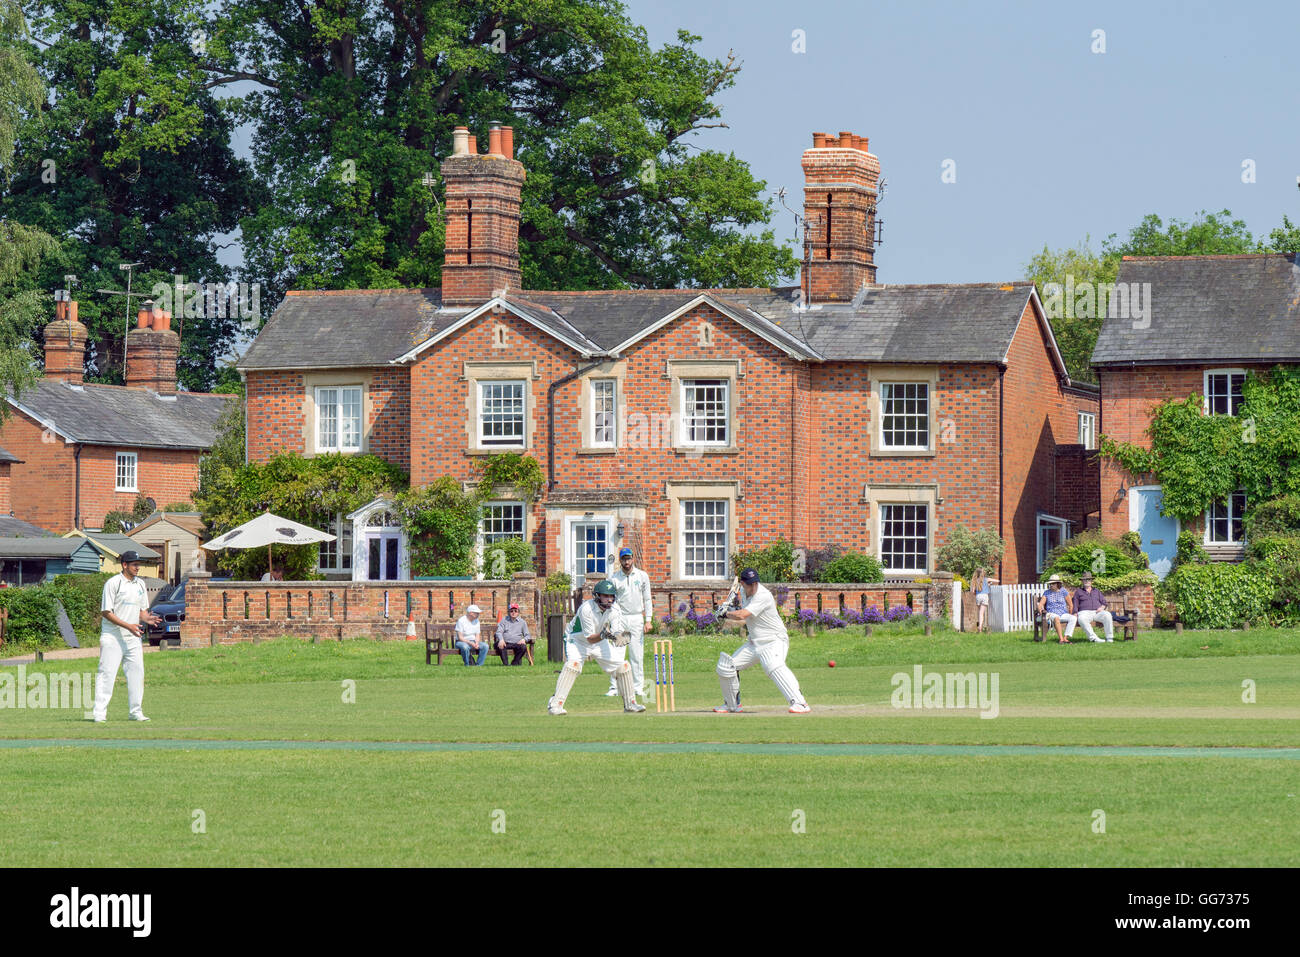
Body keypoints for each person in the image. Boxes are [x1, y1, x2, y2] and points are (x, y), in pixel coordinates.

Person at [715, 568, 810, 714]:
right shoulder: (742, 591)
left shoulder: (763, 595)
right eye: (749, 584)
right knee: (727, 666)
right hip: (755, 642)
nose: (753, 587)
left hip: (774, 640)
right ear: (742, 584)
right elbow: (741, 609)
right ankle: (732, 705)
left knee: (773, 665)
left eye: (755, 583)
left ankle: (800, 703)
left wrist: (725, 614)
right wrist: (728, 610)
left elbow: (743, 615)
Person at [547, 579, 645, 715]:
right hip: (576, 640)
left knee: (623, 666)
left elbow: (615, 632)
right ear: (597, 596)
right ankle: (555, 705)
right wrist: (605, 635)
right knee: (573, 666)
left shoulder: (615, 609)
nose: (609, 600)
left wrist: (617, 637)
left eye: (611, 596)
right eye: (606, 596)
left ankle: (630, 704)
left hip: (600, 640)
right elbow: (589, 638)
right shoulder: (586, 609)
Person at [91, 550, 161, 722]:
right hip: (112, 636)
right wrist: (127, 625)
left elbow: (141, 612)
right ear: (124, 565)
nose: (138, 567)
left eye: (139, 564)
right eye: (135, 564)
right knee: (106, 674)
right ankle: (99, 714)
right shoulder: (113, 583)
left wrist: (147, 619)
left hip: (133, 637)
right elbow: (106, 612)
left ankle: (135, 712)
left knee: (137, 674)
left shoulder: (140, 585)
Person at [605, 547, 653, 699]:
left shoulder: (642, 576)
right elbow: (610, 601)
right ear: (620, 560)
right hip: (620, 618)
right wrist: (609, 621)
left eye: (629, 558)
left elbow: (647, 598)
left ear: (633, 559)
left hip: (636, 617)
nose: (627, 561)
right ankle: (615, 687)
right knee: (617, 653)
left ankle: (638, 687)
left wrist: (648, 620)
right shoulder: (614, 578)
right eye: (624, 559)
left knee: (636, 654)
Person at [1072, 573, 1114, 642]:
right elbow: (1075, 603)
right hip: (1084, 613)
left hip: (1097, 612)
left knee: (1107, 615)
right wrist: (1075, 613)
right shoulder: (1078, 592)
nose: (1086, 581)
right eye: (1085, 580)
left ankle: (1109, 638)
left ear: (1091, 581)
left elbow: (1104, 602)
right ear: (1082, 581)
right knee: (1081, 618)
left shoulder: (1096, 591)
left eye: (1088, 580)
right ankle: (1094, 638)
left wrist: (1102, 607)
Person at [1037, 574, 1077, 643]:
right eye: (1050, 584)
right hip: (1051, 613)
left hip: (1063, 613)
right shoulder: (1047, 593)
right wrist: (1041, 612)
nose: (1051, 585)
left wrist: (1070, 614)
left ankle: (1065, 638)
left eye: (1053, 583)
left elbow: (1070, 605)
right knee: (1056, 618)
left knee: (1073, 618)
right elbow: (1040, 604)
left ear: (1058, 584)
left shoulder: (1063, 591)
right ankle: (1061, 639)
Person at [971, 567, 996, 633]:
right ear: (983, 573)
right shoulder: (986, 579)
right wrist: (989, 584)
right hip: (985, 596)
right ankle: (980, 628)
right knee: (982, 613)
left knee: (980, 613)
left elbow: (973, 591)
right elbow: (997, 581)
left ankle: (980, 627)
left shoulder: (975, 580)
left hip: (978, 596)